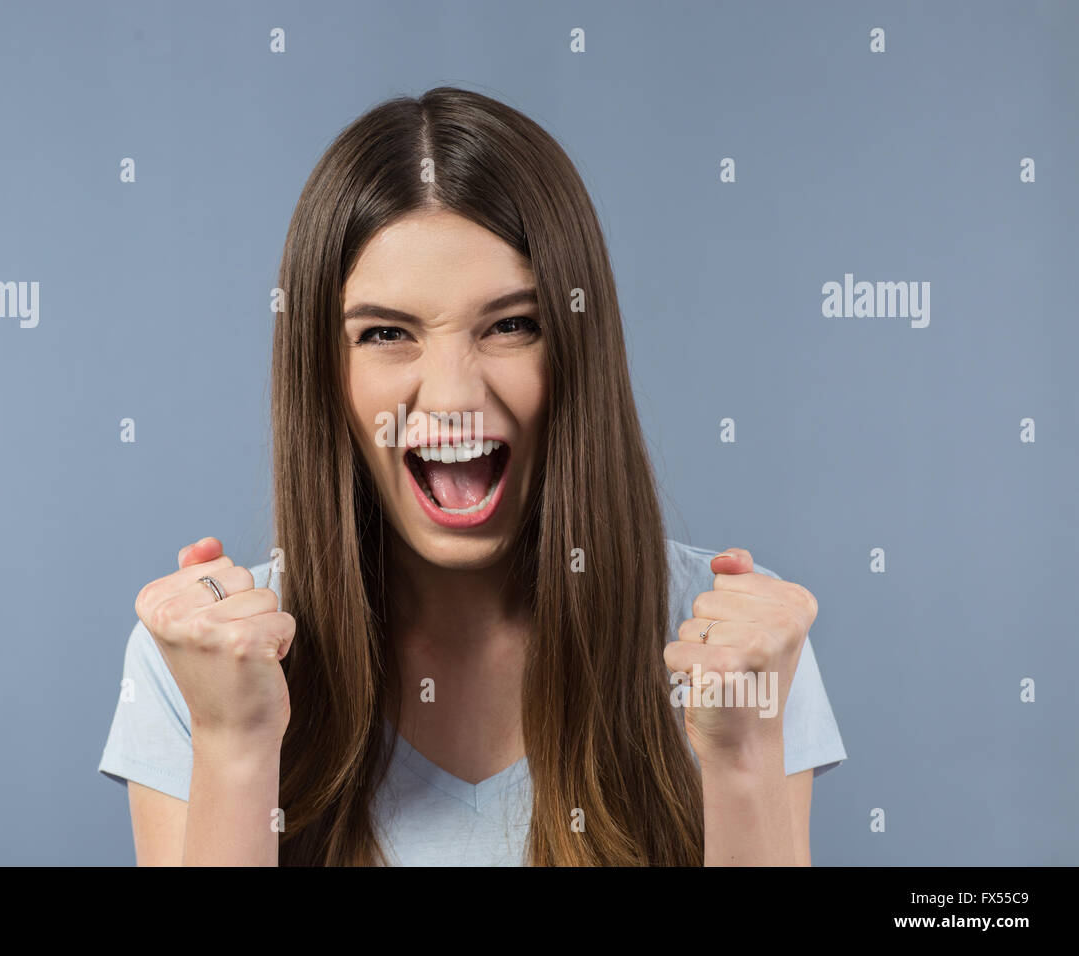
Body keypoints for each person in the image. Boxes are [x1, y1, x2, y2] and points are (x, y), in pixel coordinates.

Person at [98, 87, 846, 866]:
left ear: (576, 352)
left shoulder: (737, 649)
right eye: (386, 333)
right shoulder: (198, 661)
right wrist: (237, 745)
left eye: (512, 325)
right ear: (325, 374)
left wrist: (744, 759)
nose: (453, 396)